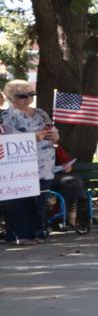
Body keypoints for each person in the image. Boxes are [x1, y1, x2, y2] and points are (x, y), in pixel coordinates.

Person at [2, 81, 59, 243]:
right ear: (11, 97)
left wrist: (55, 136)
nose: (28, 98)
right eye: (23, 96)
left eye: (32, 94)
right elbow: (5, 139)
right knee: (20, 202)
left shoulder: (41, 113)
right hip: (21, 166)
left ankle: (36, 233)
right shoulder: (7, 116)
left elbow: (53, 131)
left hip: (45, 164)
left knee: (40, 201)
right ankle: (18, 235)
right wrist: (32, 137)